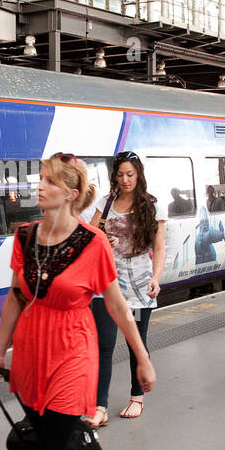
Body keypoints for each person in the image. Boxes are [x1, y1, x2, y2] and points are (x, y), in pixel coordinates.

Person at [0, 154, 155, 450]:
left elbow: (117, 306)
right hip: (32, 348)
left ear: (71, 193)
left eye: (47, 182)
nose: (37, 187)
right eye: (39, 180)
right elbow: (16, 297)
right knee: (47, 440)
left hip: (73, 349)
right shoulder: (24, 237)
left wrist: (142, 358)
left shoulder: (94, 243)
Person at [87, 151, 166, 424]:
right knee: (103, 345)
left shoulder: (152, 205)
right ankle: (100, 406)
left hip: (140, 286)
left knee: (136, 343)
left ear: (139, 174)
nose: (125, 180)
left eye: (130, 174)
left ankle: (137, 396)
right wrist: (101, 242)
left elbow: (159, 247)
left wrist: (155, 278)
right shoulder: (106, 203)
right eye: (120, 175)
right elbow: (89, 234)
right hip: (106, 283)